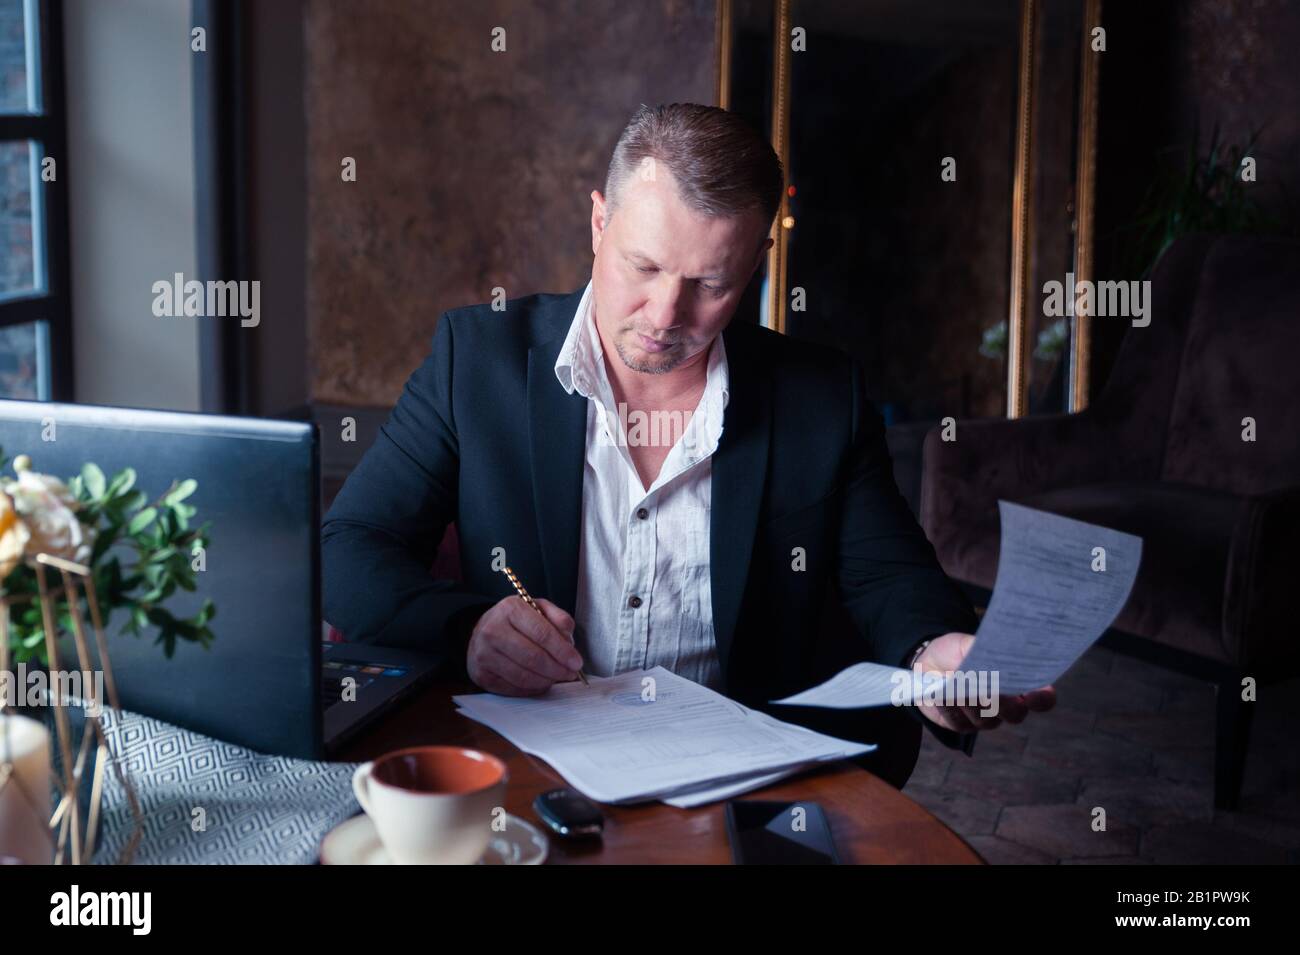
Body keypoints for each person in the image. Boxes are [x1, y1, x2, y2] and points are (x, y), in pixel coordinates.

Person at [321, 103, 1054, 785]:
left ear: (758, 259)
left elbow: (889, 577)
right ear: (598, 221)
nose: (666, 314)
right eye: (643, 267)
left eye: (710, 283)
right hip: (527, 764)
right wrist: (469, 629)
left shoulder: (821, 397)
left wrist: (936, 654)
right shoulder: (475, 361)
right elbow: (349, 545)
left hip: (745, 780)